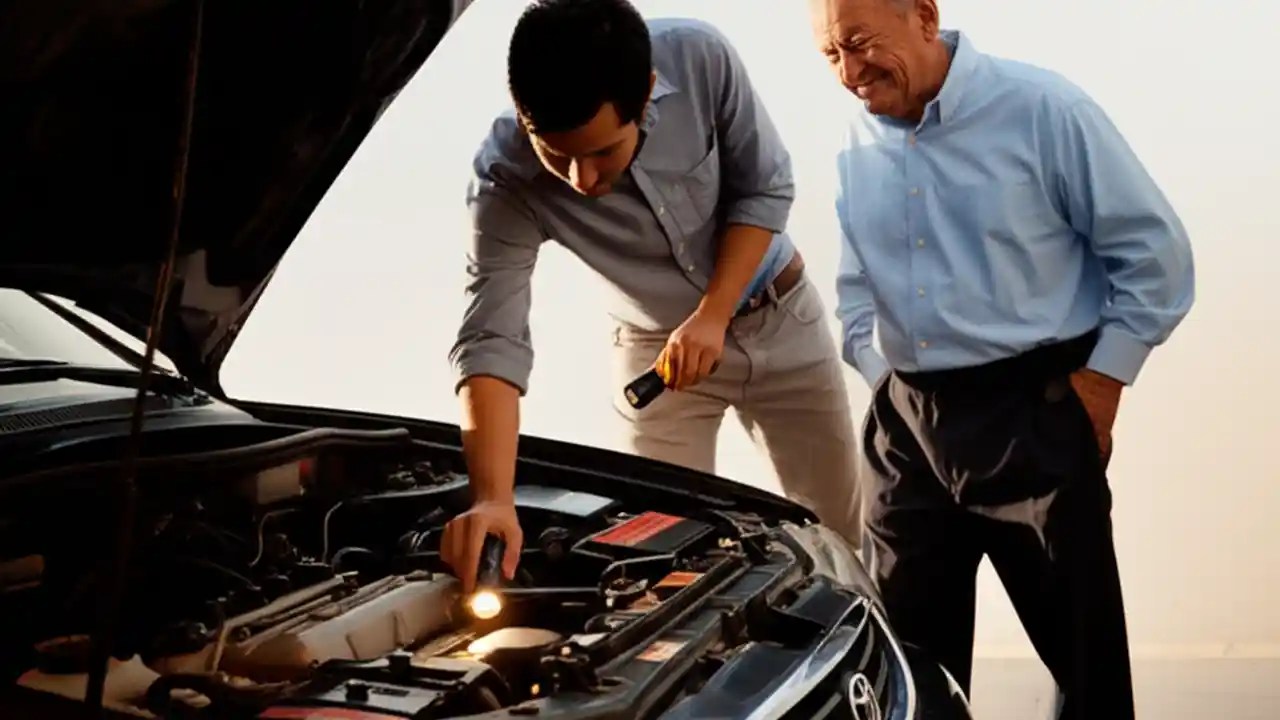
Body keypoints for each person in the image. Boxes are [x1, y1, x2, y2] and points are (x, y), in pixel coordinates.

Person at [807, 0, 1195, 716]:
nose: (849, 71)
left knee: (1085, 668)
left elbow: (1156, 258)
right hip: (905, 431)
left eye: (860, 44)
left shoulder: (1044, 110)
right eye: (831, 55)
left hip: (1033, 412)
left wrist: (1103, 383)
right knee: (904, 670)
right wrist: (880, 374)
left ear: (923, 15)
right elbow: (855, 285)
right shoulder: (854, 145)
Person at [441, 0, 863, 592]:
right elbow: (492, 339)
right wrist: (492, 499)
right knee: (664, 557)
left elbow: (765, 190)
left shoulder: (700, 58)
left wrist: (712, 315)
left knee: (838, 539)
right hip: (655, 359)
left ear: (645, 93)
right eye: (556, 155)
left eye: (601, 152)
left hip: (780, 316)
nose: (581, 180)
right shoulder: (502, 176)